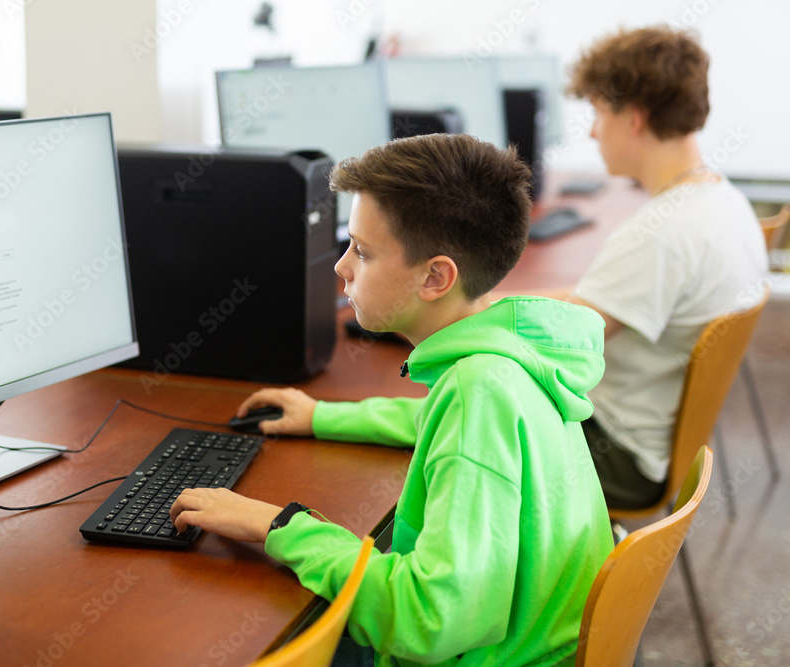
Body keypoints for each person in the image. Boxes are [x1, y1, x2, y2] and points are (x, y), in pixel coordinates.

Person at [169, 133, 613, 666]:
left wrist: (278, 527)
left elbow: (430, 621)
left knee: (240, 638)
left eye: (362, 250)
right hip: (532, 646)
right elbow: (434, 420)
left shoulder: (478, 396)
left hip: (475, 652)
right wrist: (322, 416)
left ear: (435, 276)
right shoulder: (509, 360)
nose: (341, 268)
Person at [529, 26, 768, 508]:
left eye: (597, 113)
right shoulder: (726, 201)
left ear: (633, 118)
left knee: (461, 421)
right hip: (664, 441)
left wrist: (472, 303)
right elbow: (590, 304)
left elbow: (565, 332)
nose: (594, 131)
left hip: (621, 453)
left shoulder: (662, 232)